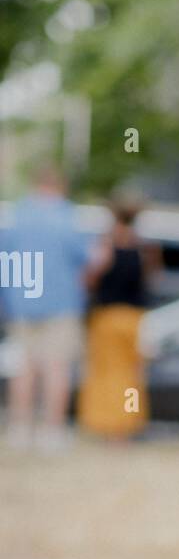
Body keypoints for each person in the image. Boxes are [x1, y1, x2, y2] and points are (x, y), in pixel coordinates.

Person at [0, 162, 95, 453]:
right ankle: (51, 433)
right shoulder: (66, 217)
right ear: (60, 186)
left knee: (23, 369)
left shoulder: (16, 216)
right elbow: (87, 260)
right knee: (56, 369)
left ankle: (19, 429)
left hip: (20, 305)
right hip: (60, 306)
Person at [76, 192, 161, 442]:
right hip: (134, 318)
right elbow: (152, 278)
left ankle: (105, 425)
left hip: (107, 317)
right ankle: (127, 425)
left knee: (106, 373)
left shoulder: (105, 244)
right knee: (131, 374)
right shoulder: (146, 248)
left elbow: (89, 278)